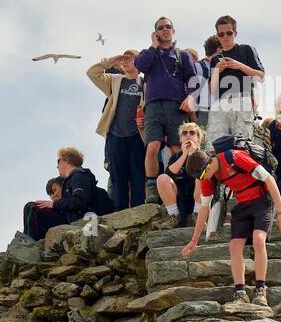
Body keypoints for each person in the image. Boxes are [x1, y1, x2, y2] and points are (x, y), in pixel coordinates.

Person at [183, 135, 281, 305]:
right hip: (242, 204)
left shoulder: (235, 157)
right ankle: (240, 291)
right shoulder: (207, 178)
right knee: (234, 245)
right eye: (200, 177)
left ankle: (260, 289)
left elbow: (268, 179)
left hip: (261, 200)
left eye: (204, 174)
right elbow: (204, 208)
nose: (204, 179)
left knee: (258, 239)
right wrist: (194, 239)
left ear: (209, 162)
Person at [135, 18, 197, 204]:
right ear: (155, 33)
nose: (165, 30)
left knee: (177, 148)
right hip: (153, 106)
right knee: (152, 147)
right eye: (160, 28)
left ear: (173, 30)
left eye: (168, 27)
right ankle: (152, 189)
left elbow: (194, 80)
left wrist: (191, 97)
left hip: (175, 106)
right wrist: (153, 46)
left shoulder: (182, 55)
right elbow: (141, 66)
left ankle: (180, 186)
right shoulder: (148, 54)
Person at [87, 50, 145, 211]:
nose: (125, 62)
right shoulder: (115, 81)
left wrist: (144, 121)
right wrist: (110, 61)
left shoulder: (146, 83)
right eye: (123, 60)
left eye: (129, 59)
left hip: (136, 136)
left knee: (138, 176)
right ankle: (120, 212)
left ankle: (139, 210)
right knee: (117, 177)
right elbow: (92, 73)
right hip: (115, 136)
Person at [207, 15, 264, 151]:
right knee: (215, 147)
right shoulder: (215, 60)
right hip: (221, 104)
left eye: (229, 33)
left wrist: (240, 66)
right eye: (221, 34)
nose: (225, 36)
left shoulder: (246, 49)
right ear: (217, 36)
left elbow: (261, 77)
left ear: (235, 33)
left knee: (242, 146)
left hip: (242, 102)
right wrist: (217, 71)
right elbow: (212, 90)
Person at [25, 148, 100, 240]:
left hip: (75, 220)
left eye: (59, 162)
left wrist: (54, 204)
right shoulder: (72, 179)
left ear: (67, 161)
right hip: (69, 217)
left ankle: (29, 244)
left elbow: (80, 201)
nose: (57, 167)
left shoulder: (78, 176)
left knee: (32, 208)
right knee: (34, 208)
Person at [156, 122, 210, 227]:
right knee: (162, 178)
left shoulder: (206, 155)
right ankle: (174, 216)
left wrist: (193, 154)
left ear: (198, 137)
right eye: (185, 133)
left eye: (192, 133)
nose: (188, 135)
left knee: (202, 177)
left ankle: (198, 214)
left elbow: (205, 173)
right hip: (180, 198)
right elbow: (169, 174)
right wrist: (185, 154)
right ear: (181, 138)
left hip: (200, 199)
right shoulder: (176, 157)